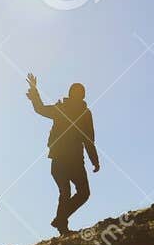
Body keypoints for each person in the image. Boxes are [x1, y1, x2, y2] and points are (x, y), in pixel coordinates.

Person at [25, 74, 99, 234]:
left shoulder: (85, 114)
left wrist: (95, 160)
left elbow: (88, 139)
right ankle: (62, 225)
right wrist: (34, 91)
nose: (78, 97)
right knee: (67, 192)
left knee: (81, 193)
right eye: (76, 93)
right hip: (60, 159)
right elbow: (40, 109)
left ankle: (60, 220)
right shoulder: (63, 109)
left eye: (80, 94)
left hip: (74, 161)